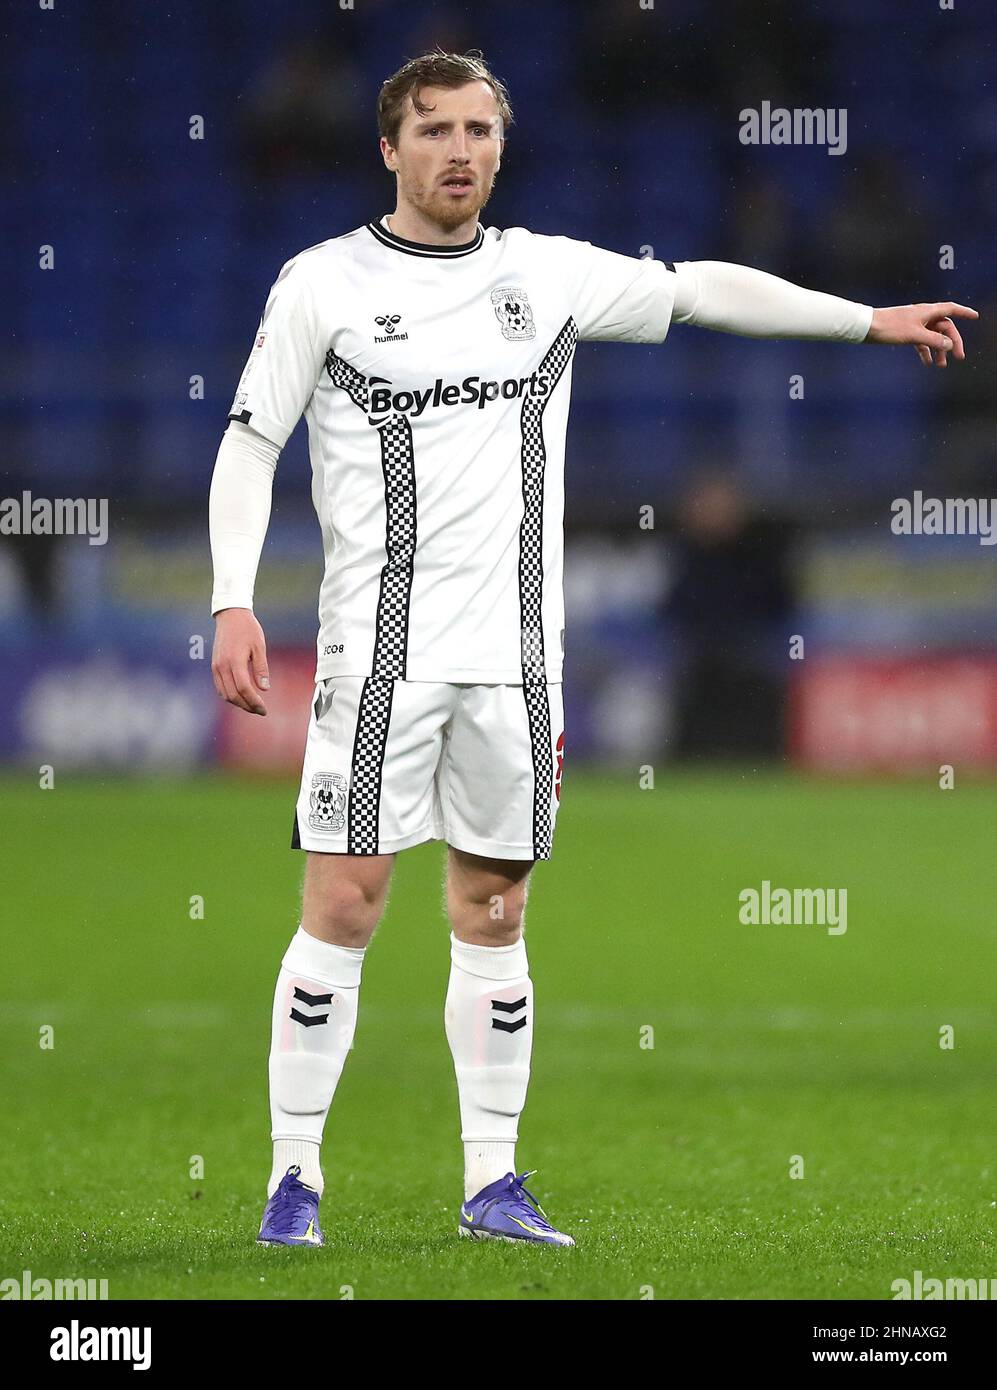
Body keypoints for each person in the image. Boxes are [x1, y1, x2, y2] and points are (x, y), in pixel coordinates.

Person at [208, 47, 977, 1249]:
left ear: (502, 146)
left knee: (495, 911)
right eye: (434, 130)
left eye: (479, 129)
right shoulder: (324, 285)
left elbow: (702, 290)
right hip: (376, 656)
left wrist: (866, 320)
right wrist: (232, 600)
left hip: (519, 663)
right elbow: (250, 442)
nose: (459, 150)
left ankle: (492, 1185)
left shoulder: (548, 277)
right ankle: (293, 1176)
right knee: (346, 904)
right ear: (389, 149)